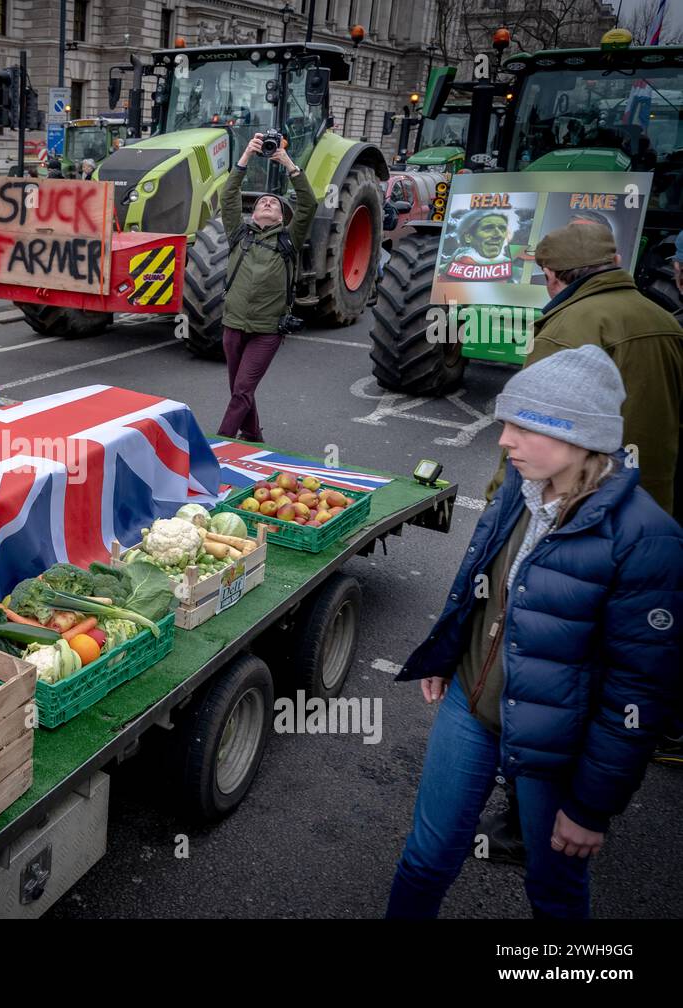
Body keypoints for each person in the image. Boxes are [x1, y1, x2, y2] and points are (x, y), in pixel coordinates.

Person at [387, 346, 682, 919]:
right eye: (504, 423)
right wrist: (447, 656)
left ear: (577, 435)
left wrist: (592, 807)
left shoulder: (648, 538)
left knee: (554, 887)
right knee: (425, 860)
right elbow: (479, 585)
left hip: (559, 746)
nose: (504, 439)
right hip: (470, 709)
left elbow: (638, 692)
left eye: (522, 425)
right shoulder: (518, 493)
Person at [485, 223, 683, 520]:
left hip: (581, 509)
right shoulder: (667, 322)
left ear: (551, 275)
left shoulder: (565, 329)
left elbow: (529, 431)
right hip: (652, 505)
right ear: (615, 264)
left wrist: (497, 500)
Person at [217, 133, 318, 441]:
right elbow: (228, 196)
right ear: (253, 212)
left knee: (243, 389)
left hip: (267, 330)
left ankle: (219, 444)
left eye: (274, 202)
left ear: (280, 216)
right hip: (232, 325)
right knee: (240, 391)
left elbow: (309, 203)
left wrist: (288, 163)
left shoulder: (289, 238)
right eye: (262, 201)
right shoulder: (239, 233)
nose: (268, 202)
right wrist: (245, 156)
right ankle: (254, 436)